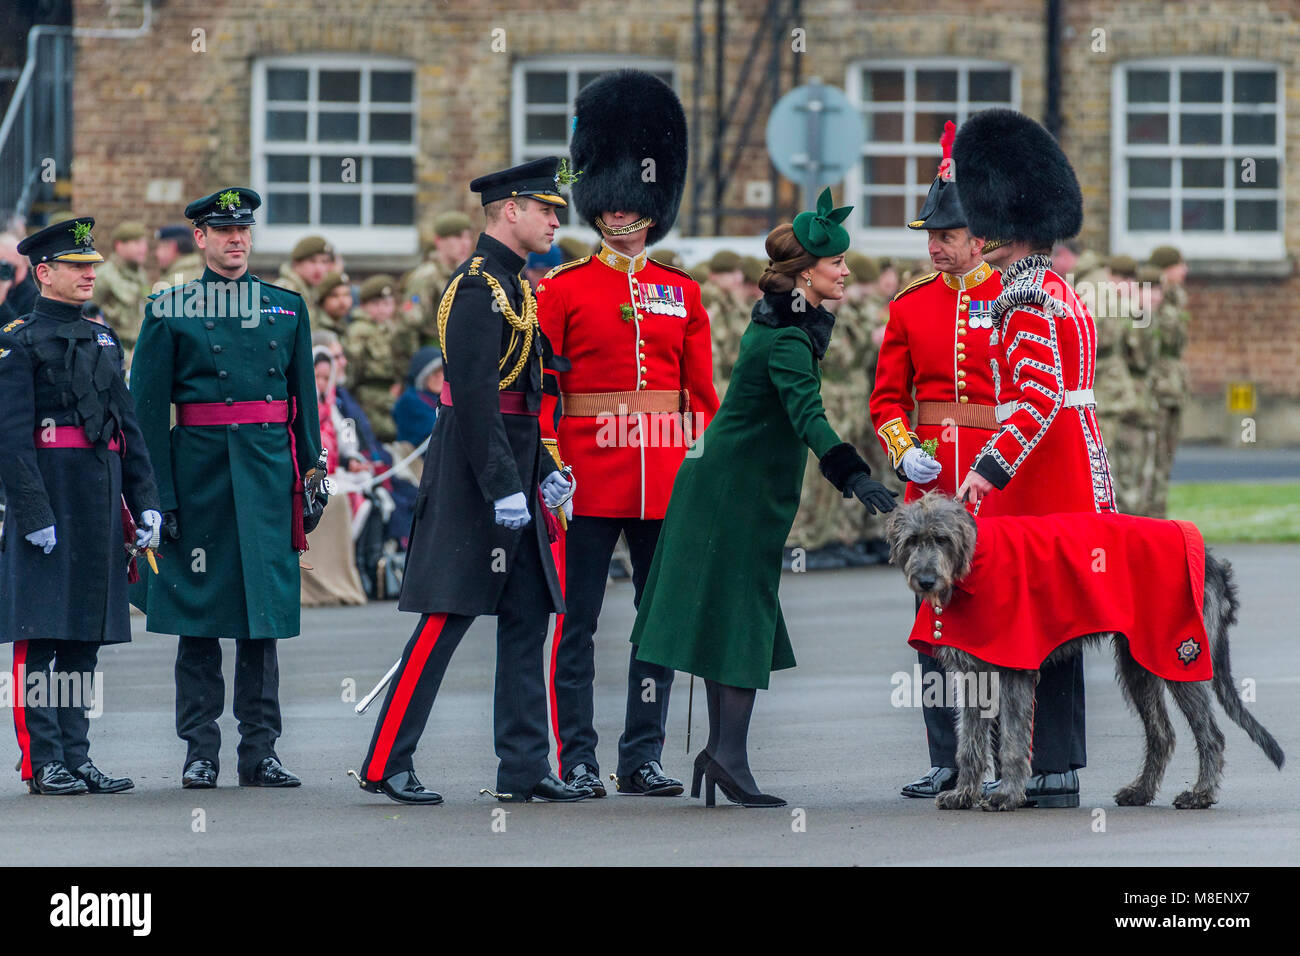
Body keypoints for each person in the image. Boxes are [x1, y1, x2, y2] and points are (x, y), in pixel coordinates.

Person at [630, 190, 897, 806]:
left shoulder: (782, 320)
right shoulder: (787, 339)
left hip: (735, 488)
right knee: (742, 619)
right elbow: (808, 415)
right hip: (732, 494)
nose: (846, 272)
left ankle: (724, 755)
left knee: (734, 616)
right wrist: (854, 475)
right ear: (807, 274)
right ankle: (728, 757)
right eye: (837, 265)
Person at [350, 157, 591, 805]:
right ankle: (384, 762)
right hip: (472, 473)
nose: (554, 221)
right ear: (510, 210)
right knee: (443, 621)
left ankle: (523, 765)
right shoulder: (479, 287)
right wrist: (503, 485)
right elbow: (477, 399)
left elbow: (526, 397)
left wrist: (542, 475)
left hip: (513, 466)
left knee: (527, 616)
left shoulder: (518, 285)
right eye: (546, 209)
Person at [535, 69, 718, 798]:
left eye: (634, 207)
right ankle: (574, 755)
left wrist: (699, 476)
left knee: (658, 626)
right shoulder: (562, 290)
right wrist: (552, 463)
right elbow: (546, 392)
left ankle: (641, 753)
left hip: (664, 482)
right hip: (586, 478)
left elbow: (700, 401)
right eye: (608, 206)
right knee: (574, 626)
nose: (621, 217)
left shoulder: (683, 293)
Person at [129, 187, 324, 790]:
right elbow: (145, 412)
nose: (236, 239)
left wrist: (313, 474)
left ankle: (260, 750)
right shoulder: (170, 310)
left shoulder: (286, 308)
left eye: (244, 231)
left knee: (261, 624)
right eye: (224, 230)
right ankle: (200, 750)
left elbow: (304, 406)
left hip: (267, 479)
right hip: (201, 475)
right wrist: (158, 499)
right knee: (200, 621)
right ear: (202, 238)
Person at [954, 109, 1116, 808]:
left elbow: (1037, 398)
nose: (976, 236)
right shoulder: (1059, 291)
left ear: (1008, 225)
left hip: (1040, 478)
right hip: (1077, 469)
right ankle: (1056, 764)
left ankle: (1045, 768)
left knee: (1032, 624)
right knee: (1063, 625)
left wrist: (986, 471)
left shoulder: (1022, 298)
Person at [1, 217, 161, 794]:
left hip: (97, 495)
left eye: (92, 264)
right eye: (77, 266)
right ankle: (43, 761)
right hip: (49, 498)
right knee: (42, 635)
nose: (89, 273)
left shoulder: (103, 338)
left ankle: (77, 753)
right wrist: (33, 514)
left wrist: (145, 500)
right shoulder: (15, 340)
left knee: (82, 639)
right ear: (44, 273)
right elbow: (12, 441)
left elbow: (128, 429)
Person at [868, 120, 1004, 799]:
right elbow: (886, 399)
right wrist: (904, 452)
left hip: (993, 485)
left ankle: (1004, 757)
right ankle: (945, 759)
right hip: (932, 487)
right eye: (930, 237)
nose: (935, 248)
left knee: (996, 620)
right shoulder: (909, 306)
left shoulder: (1010, 299)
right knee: (932, 626)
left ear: (977, 239)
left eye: (946, 237)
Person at [301, 345, 368, 608]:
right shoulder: (305, 406)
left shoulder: (334, 406)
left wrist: (353, 458)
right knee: (335, 498)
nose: (321, 383)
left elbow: (346, 436)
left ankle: (355, 569)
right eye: (316, 377)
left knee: (368, 496)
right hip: (311, 472)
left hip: (336, 470)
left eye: (325, 379)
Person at [343, 273, 419, 442]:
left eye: (387, 303)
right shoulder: (359, 331)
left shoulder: (393, 329)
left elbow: (404, 361)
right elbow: (353, 372)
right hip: (368, 398)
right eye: (375, 304)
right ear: (363, 305)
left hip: (392, 396)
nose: (383, 309)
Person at [1146, 245, 1190, 518]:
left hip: (1173, 387)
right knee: (1152, 461)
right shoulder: (1151, 294)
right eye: (1179, 264)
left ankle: (1158, 519)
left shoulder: (1176, 297)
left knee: (1165, 461)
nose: (1184, 270)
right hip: (1157, 387)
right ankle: (1150, 519)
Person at [403, 211, 475, 338]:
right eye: (458, 237)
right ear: (439, 241)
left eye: (468, 237)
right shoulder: (426, 276)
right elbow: (412, 318)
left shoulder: (466, 273)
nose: (466, 243)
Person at [91, 221, 153, 365]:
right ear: (119, 245)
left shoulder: (140, 275)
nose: (143, 248)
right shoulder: (103, 276)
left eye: (144, 243)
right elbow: (89, 319)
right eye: (137, 243)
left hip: (138, 351)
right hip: (113, 354)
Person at [277, 235, 336, 330]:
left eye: (324, 262)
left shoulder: (310, 290)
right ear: (296, 263)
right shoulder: (286, 290)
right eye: (312, 261)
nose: (319, 268)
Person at [392, 345, 442, 446]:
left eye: (442, 371)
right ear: (422, 376)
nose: (439, 377)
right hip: (416, 458)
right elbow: (436, 428)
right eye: (434, 373)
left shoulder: (440, 398)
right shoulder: (409, 400)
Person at [313, 269, 352, 336]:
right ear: (322, 301)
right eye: (334, 296)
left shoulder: (344, 323)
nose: (342, 301)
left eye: (346, 294)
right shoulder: (314, 325)